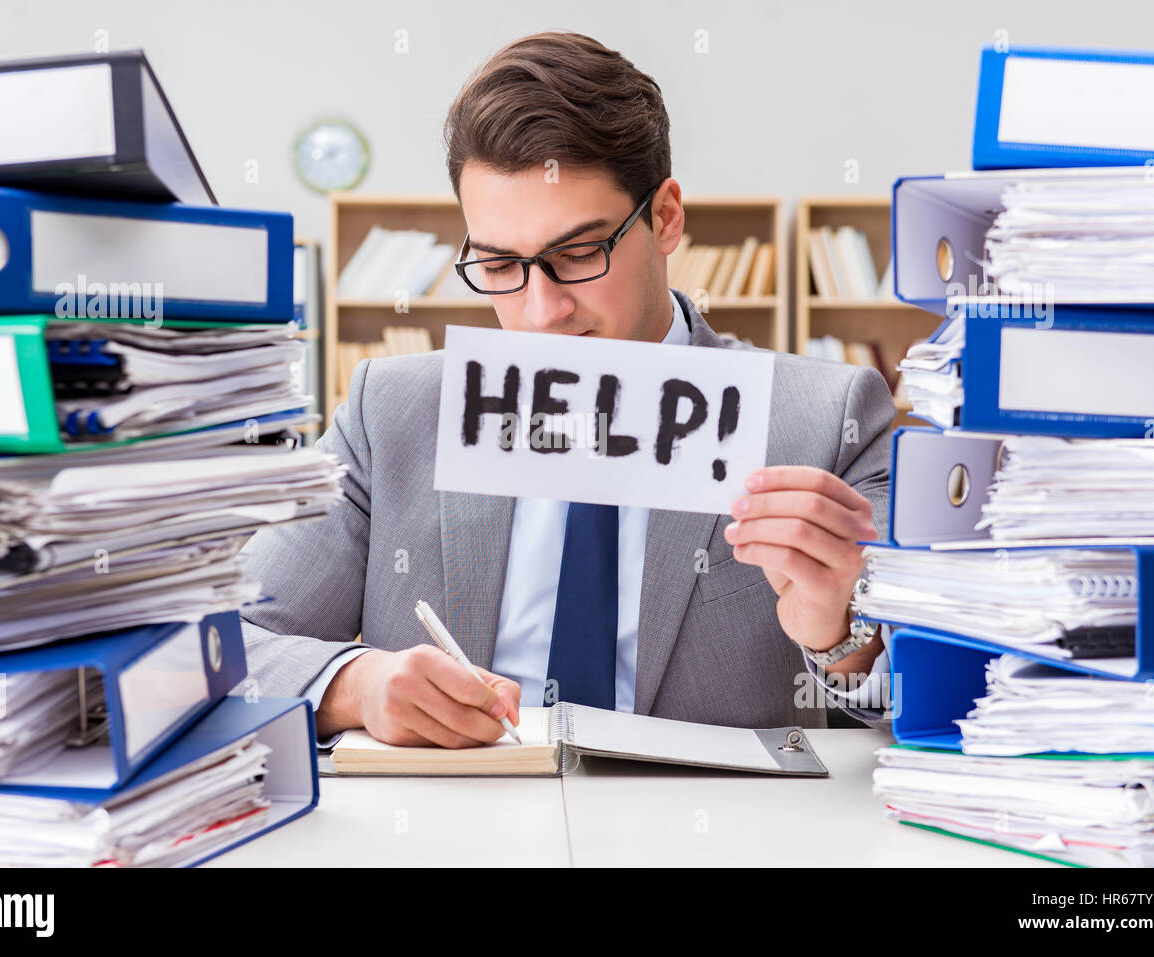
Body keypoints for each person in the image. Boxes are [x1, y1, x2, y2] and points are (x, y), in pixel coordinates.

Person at [237, 31, 894, 747]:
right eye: (498, 264)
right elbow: (227, 645)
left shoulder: (829, 420)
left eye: (579, 253)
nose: (542, 312)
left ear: (666, 218)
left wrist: (842, 639)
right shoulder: (388, 413)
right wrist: (354, 685)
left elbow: (952, 699)